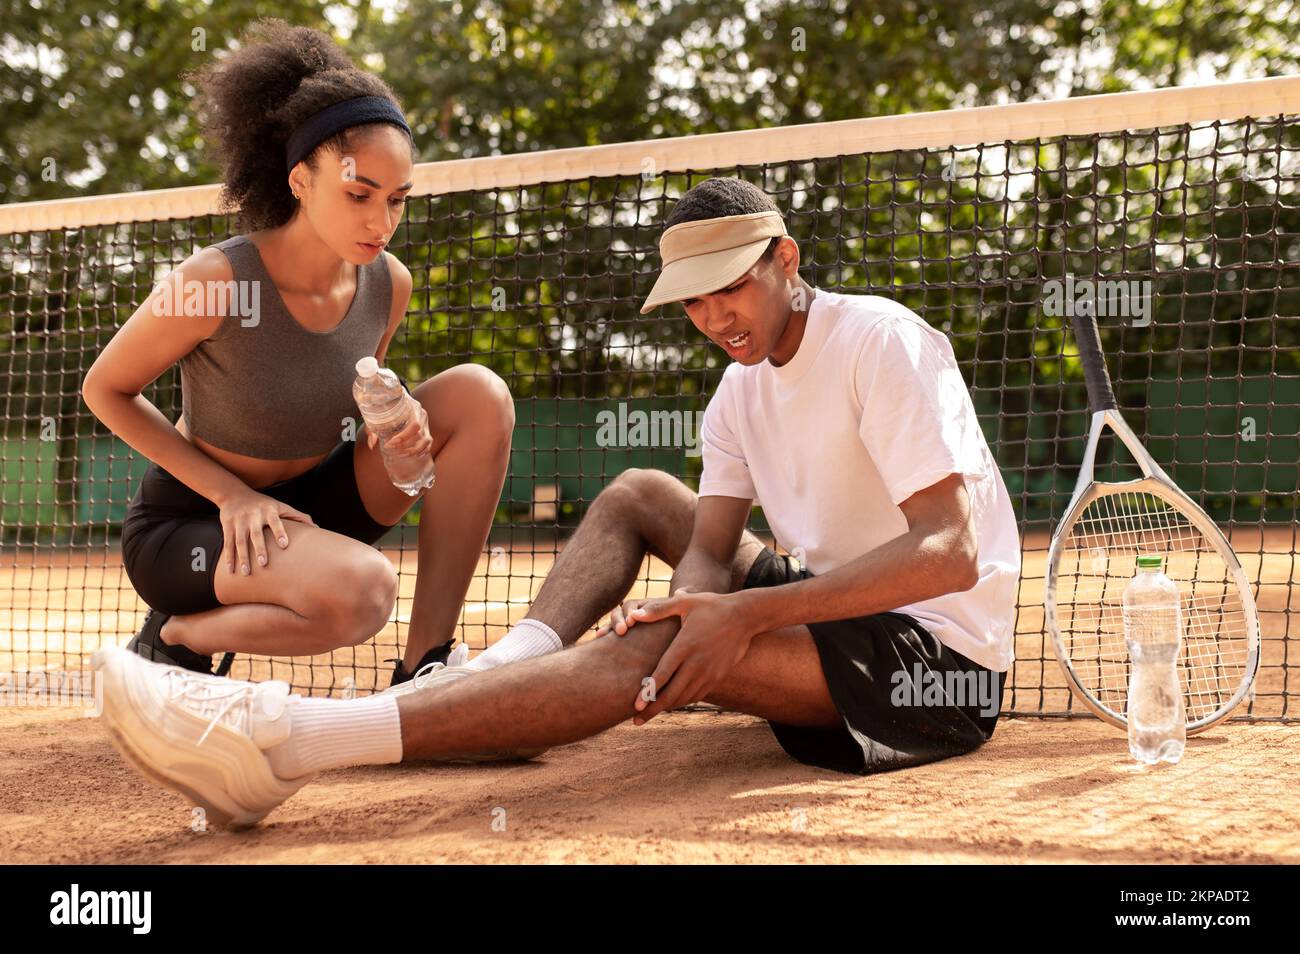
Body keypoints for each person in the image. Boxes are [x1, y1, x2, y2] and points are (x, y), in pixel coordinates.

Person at [92, 176, 1023, 827]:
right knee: (639, 495)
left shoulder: (879, 343)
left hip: (929, 665)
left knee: (658, 642)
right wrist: (695, 605)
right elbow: (705, 550)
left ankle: (293, 741)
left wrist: (733, 619)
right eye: (693, 304)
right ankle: (491, 673)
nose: (715, 321)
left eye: (731, 288)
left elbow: (947, 550)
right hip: (832, 606)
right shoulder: (736, 395)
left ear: (785, 257)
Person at [81, 20, 515, 686]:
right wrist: (230, 497)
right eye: (359, 194)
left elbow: (353, 415)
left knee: (481, 394)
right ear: (300, 180)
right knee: (366, 593)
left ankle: (425, 666)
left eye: (397, 200)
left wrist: (399, 443)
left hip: (313, 511)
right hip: (195, 529)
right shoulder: (215, 280)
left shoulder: (388, 282)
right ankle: (172, 637)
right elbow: (104, 389)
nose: (381, 221)